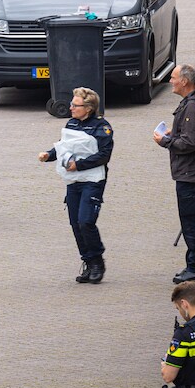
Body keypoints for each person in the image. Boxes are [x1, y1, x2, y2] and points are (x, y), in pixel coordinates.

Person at [38, 87, 113, 284]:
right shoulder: (71, 123)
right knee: (75, 224)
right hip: (73, 181)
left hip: (92, 180)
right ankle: (87, 261)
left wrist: (78, 165)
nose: (70, 108)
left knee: (85, 221)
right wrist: (49, 155)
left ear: (88, 108)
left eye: (75, 105)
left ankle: (97, 261)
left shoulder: (102, 127)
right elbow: (63, 147)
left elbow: (103, 156)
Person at [154, 65, 195, 284]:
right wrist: (176, 131)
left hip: (191, 172)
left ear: (184, 82)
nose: (170, 81)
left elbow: (190, 143)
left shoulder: (192, 107)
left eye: (173, 78)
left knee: (191, 221)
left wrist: (166, 141)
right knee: (194, 219)